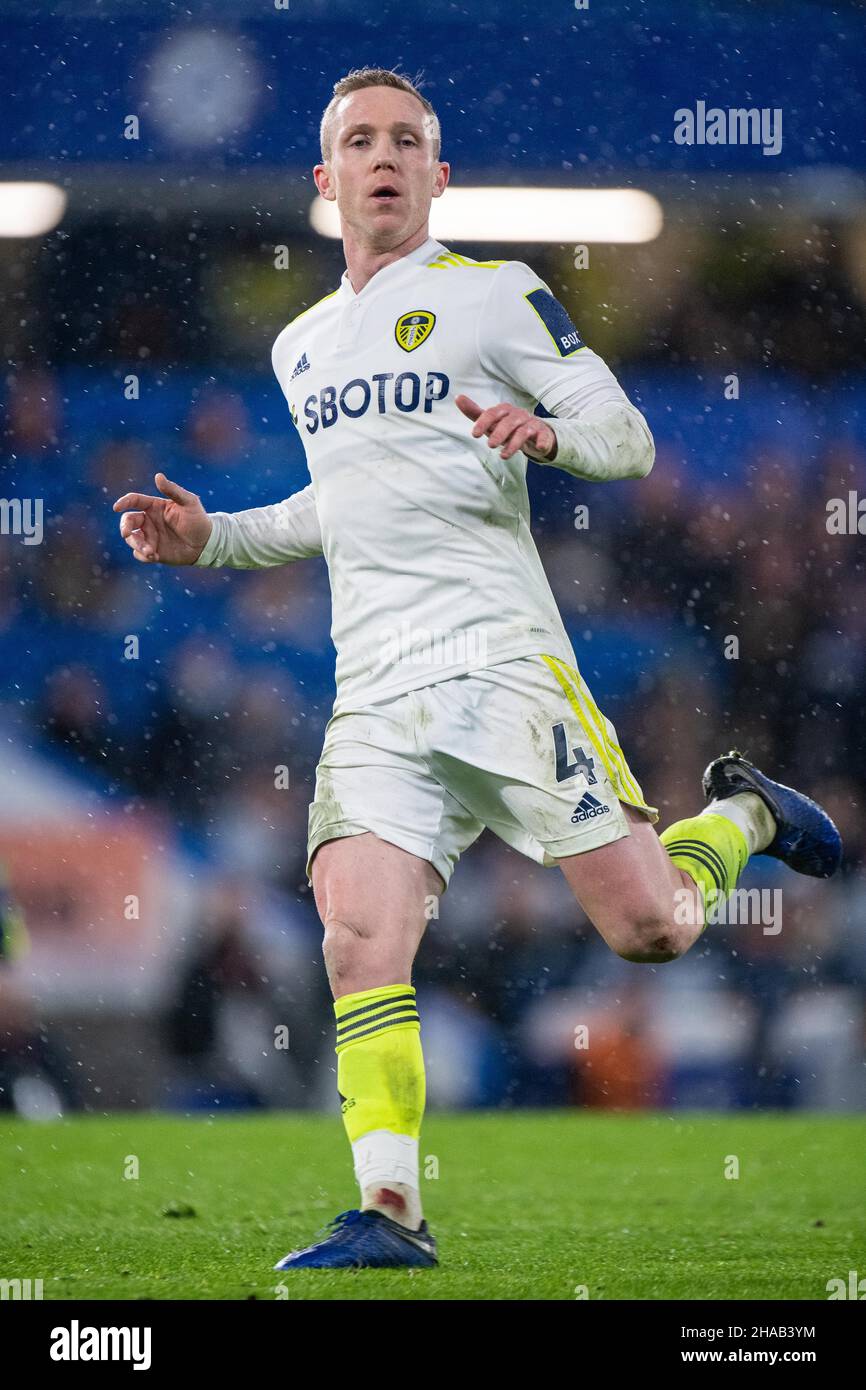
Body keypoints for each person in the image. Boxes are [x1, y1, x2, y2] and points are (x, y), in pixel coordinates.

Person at [113, 68, 842, 1271]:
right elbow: (340, 506)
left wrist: (544, 433)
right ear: (326, 179)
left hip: (501, 668)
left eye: (407, 139)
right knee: (357, 938)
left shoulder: (497, 297)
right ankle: (389, 1212)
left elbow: (628, 438)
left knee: (650, 927)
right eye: (360, 140)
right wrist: (218, 539)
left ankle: (743, 813)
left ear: (438, 178)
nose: (384, 155)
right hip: (376, 693)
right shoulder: (301, 348)